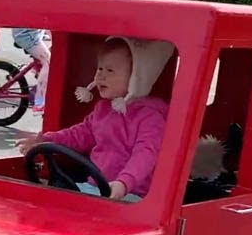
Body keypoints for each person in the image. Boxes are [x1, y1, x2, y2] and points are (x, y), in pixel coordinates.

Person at [16, 36, 175, 202]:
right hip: (95, 188)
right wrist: (46, 139)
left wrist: (124, 183)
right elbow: (79, 134)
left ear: (136, 77)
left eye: (110, 70)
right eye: (100, 68)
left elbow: (145, 155)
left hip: (132, 196)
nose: (101, 76)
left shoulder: (150, 117)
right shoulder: (103, 109)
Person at [10, 0, 76, 112]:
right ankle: (40, 100)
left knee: (59, 53)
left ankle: (38, 72)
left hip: (39, 31)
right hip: (25, 32)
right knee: (50, 60)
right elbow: (42, 16)